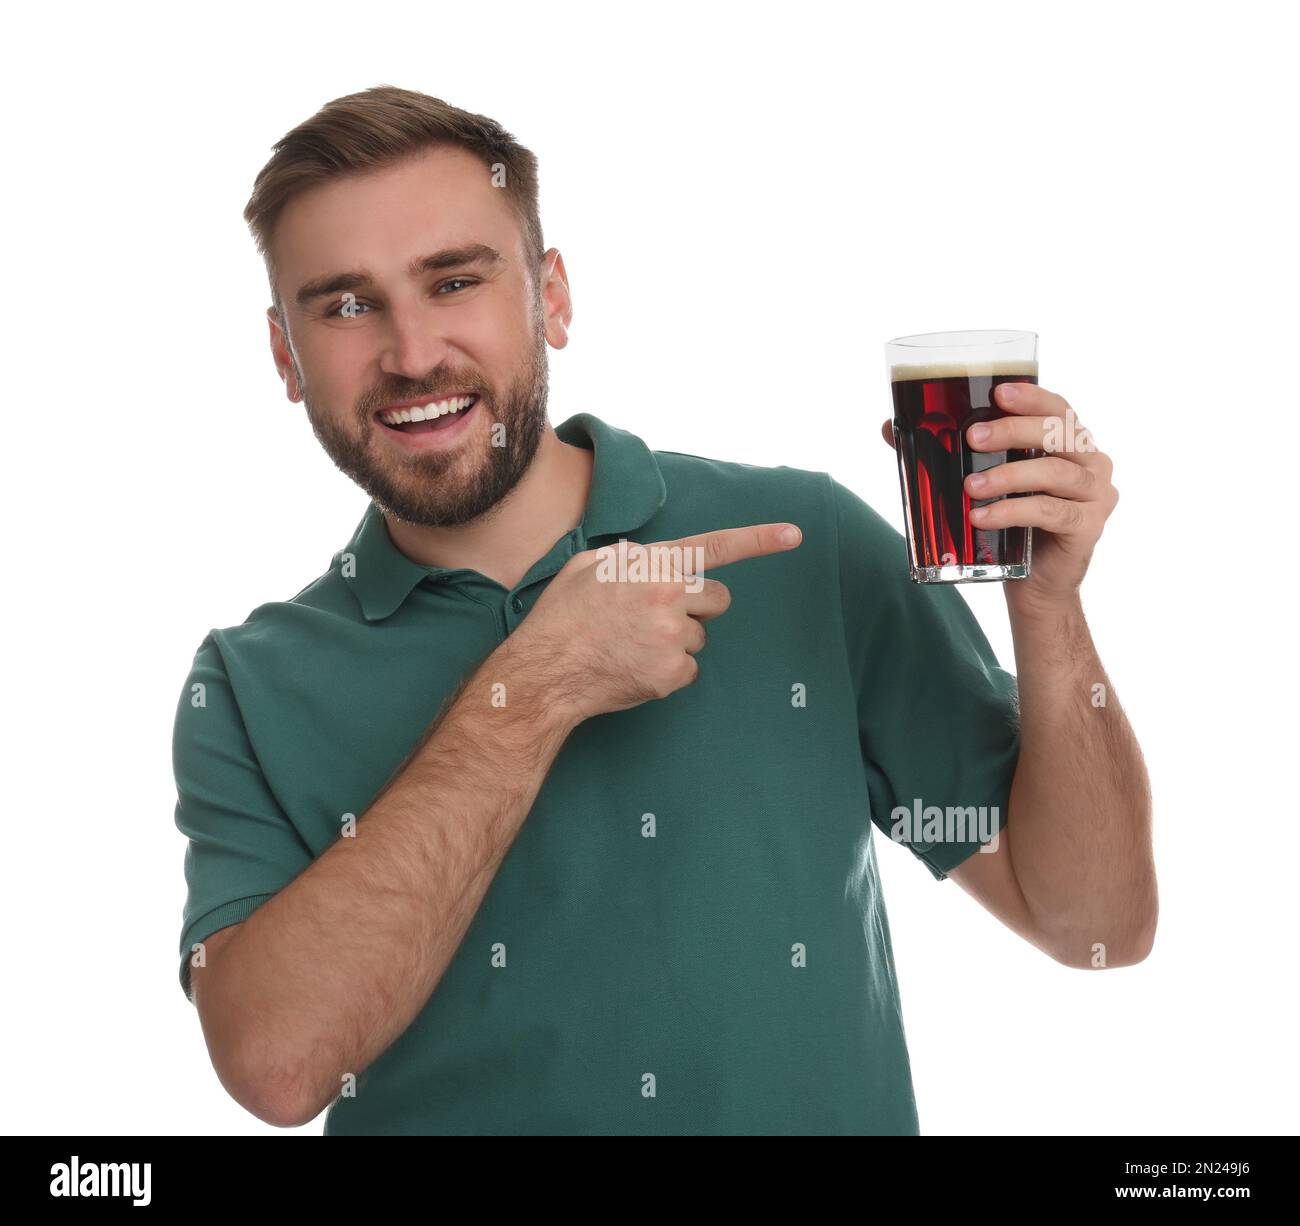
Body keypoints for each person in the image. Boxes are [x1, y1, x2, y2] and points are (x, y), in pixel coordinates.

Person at [173, 85, 1155, 1135]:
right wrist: (536, 685)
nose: (412, 353)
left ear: (550, 295)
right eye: (346, 305)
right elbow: (277, 1068)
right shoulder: (245, 682)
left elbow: (1094, 923)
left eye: (453, 279)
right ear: (286, 355)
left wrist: (1046, 608)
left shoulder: (801, 541)